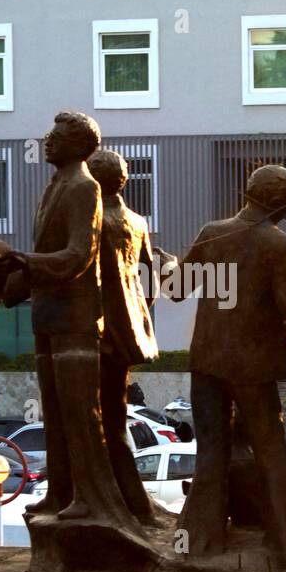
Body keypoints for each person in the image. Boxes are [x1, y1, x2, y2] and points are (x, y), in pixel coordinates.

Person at [0, 110, 155, 572]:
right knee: (57, 416)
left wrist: (20, 258)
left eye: (56, 135)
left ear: (78, 144)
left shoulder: (85, 188)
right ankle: (65, 491)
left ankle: (94, 500)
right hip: (47, 318)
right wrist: (2, 285)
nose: (46, 140)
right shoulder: (55, 187)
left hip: (76, 319)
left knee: (82, 416)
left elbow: (76, 257)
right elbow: (43, 266)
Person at [169, 164, 286, 572]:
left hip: (207, 363)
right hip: (252, 367)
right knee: (271, 454)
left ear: (249, 192)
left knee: (210, 454)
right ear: (280, 201)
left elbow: (176, 288)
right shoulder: (276, 243)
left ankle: (198, 543)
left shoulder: (212, 231)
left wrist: (169, 262)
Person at [87, 147, 159, 525]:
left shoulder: (95, 220)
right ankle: (133, 503)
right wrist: (139, 316)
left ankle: (128, 505)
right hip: (129, 331)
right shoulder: (137, 220)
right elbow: (150, 280)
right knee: (113, 421)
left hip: (98, 332)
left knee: (100, 425)